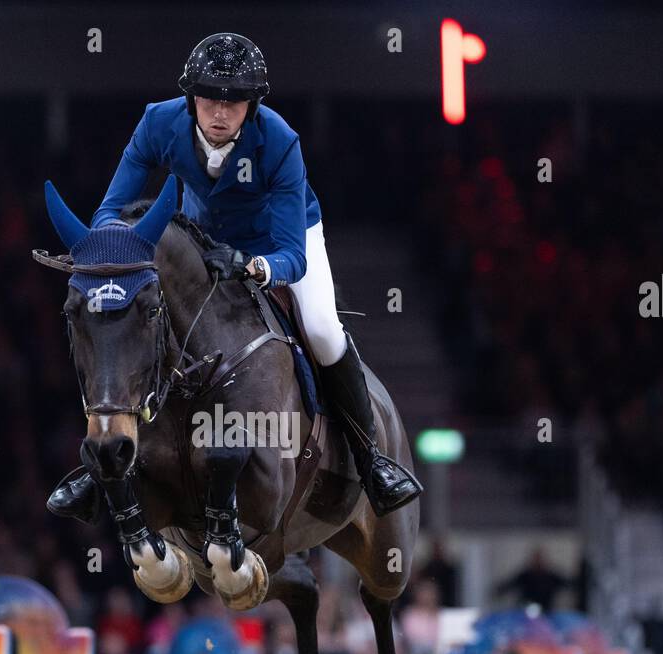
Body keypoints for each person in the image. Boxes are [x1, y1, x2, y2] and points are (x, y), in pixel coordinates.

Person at [47, 32, 422, 523]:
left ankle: (371, 459)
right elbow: (112, 209)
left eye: (234, 101)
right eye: (208, 99)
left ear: (252, 104)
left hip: (279, 241)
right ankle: (102, 466)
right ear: (190, 99)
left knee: (324, 331)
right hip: (202, 233)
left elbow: (293, 254)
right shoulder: (157, 123)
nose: (219, 112)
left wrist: (254, 266)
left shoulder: (280, 141)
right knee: (144, 321)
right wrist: (105, 258)